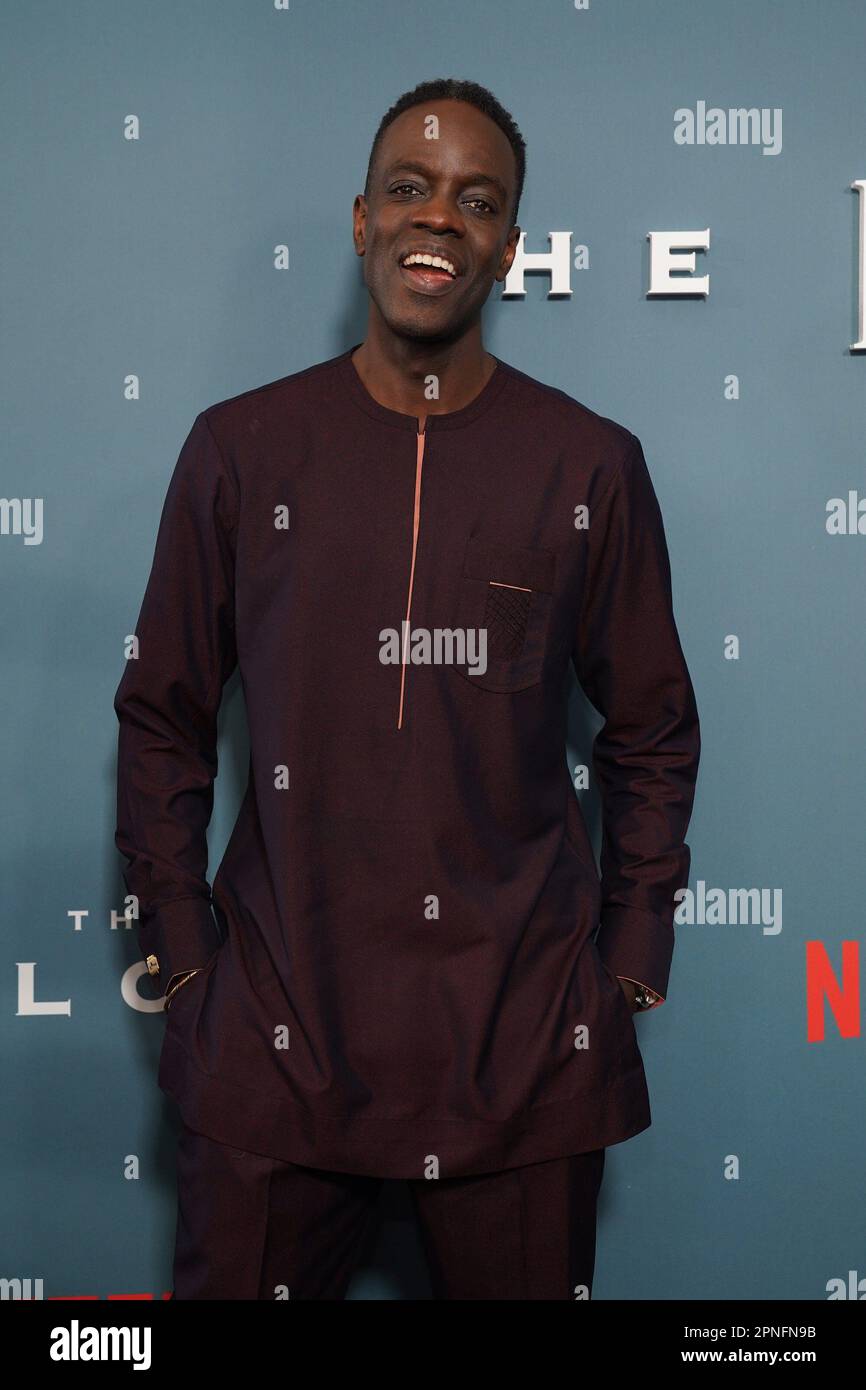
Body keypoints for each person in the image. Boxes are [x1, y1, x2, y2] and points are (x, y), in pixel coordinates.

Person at [113, 77, 700, 1300]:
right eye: (409, 189)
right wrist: (185, 955)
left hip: (520, 1046)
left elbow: (650, 725)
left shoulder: (589, 464)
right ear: (360, 221)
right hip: (274, 1038)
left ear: (509, 248)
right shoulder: (240, 450)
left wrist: (629, 952)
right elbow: (162, 716)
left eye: (475, 201)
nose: (438, 218)